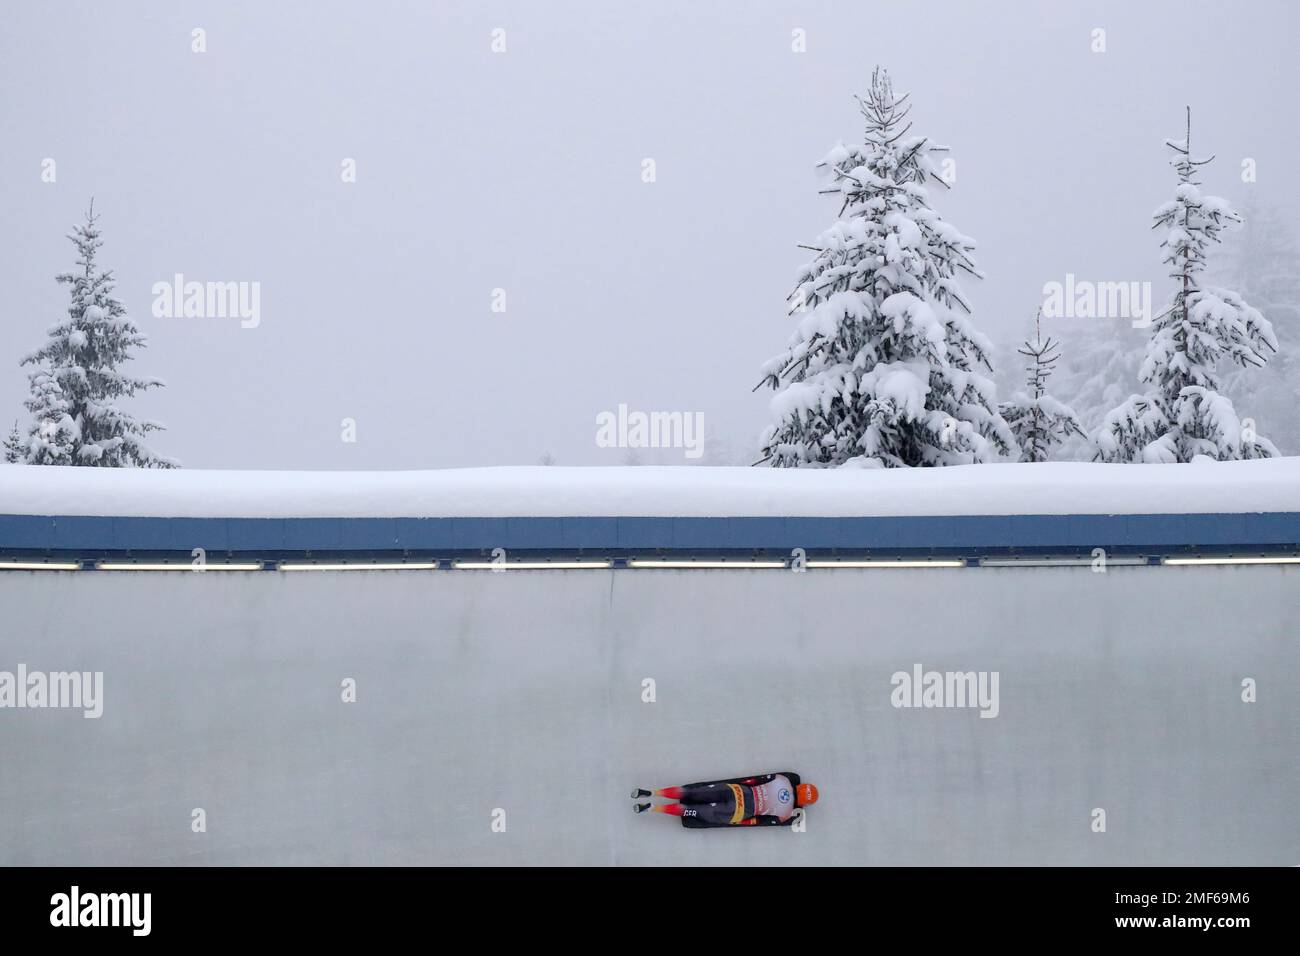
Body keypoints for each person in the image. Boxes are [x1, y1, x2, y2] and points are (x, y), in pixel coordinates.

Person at [631, 772, 818, 827]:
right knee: (692, 811)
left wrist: (740, 786)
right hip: (738, 812)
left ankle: (653, 792)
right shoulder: (786, 813)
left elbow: (754, 781)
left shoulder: (782, 779)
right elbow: (761, 820)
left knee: (690, 793)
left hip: (737, 791)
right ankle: (652, 808)